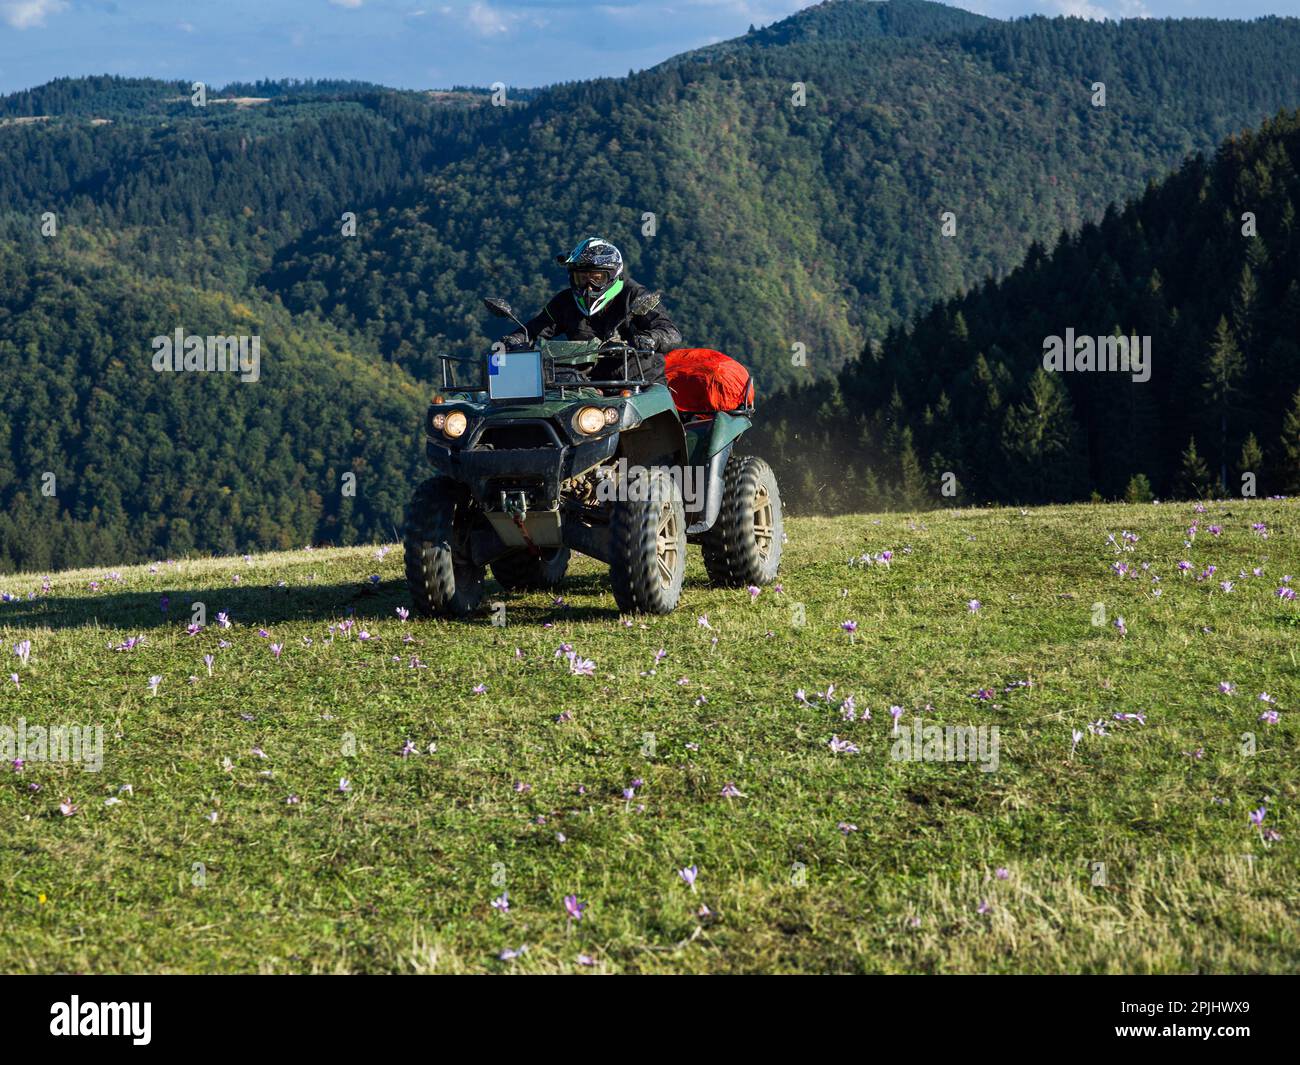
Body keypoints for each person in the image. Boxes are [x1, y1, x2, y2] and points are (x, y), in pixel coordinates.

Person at [502, 237, 681, 384]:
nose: (589, 285)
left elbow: (671, 332)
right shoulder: (565, 301)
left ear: (612, 275)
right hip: (586, 385)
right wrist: (516, 339)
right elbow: (535, 329)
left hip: (640, 383)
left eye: (596, 277)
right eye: (582, 277)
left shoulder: (635, 295)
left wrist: (649, 338)